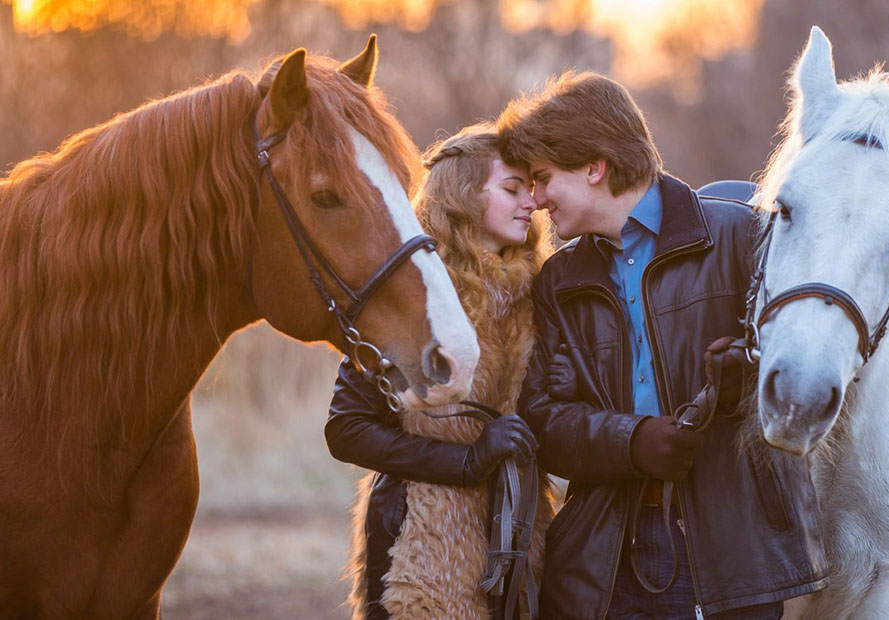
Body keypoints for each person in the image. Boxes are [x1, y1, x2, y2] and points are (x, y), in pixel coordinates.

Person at [499, 72, 827, 619]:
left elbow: (810, 369)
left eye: (541, 178)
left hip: (733, 550)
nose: (534, 200)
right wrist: (633, 441)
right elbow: (542, 421)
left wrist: (742, 382)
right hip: (605, 558)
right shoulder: (557, 281)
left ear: (594, 167)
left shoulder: (743, 236)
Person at [325, 123, 554, 619]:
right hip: (421, 548)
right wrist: (466, 462)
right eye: (511, 189)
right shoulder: (412, 298)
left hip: (518, 543)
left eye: (530, 190)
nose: (530, 203)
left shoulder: (542, 292)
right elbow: (346, 429)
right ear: (465, 196)